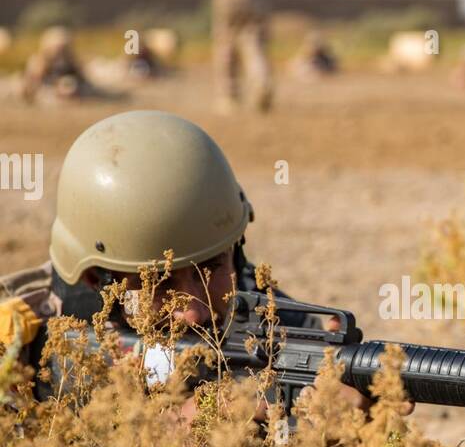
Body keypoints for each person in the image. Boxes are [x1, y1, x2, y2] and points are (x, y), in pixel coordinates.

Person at [0, 110, 375, 419]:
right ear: (94, 279)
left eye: (212, 267)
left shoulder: (272, 321)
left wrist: (332, 439)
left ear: (236, 250)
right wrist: (173, 432)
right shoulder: (21, 337)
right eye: (160, 283)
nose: (195, 312)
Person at [19, 27, 97, 103]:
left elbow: (84, 80)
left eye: (63, 48)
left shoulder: (72, 62)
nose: (59, 52)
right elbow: (31, 85)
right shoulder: (39, 62)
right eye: (57, 48)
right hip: (48, 93)